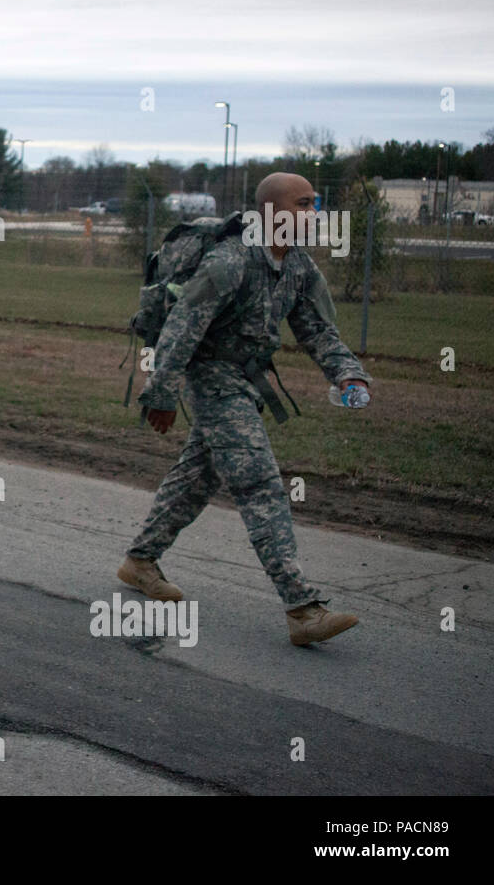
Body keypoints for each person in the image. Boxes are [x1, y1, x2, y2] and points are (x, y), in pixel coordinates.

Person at [120, 172, 369, 646]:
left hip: (244, 379)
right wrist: (162, 393)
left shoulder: (296, 265)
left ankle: (139, 561)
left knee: (196, 479)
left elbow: (317, 331)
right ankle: (302, 608)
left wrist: (348, 374)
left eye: (315, 205)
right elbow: (181, 327)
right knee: (258, 481)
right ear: (272, 212)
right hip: (210, 376)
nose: (314, 214)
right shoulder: (231, 259)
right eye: (304, 204)